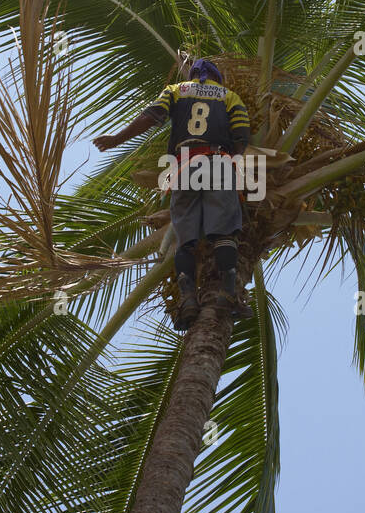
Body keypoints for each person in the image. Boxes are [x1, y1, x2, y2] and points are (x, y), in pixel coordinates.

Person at [93, 56, 252, 329]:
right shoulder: (230, 96)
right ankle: (228, 293)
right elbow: (241, 135)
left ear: (194, 74)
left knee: (185, 239)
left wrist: (116, 139)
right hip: (217, 161)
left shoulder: (176, 90)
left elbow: (151, 117)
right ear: (216, 77)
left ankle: (188, 299)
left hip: (183, 167)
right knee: (224, 232)